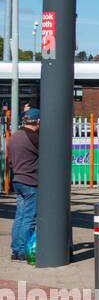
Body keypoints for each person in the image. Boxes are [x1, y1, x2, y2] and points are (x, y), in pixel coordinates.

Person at [9, 108, 39, 262]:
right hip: (31, 182)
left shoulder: (14, 137)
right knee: (29, 218)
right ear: (38, 121)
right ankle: (22, 251)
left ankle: (15, 250)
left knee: (20, 216)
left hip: (18, 181)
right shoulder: (34, 138)